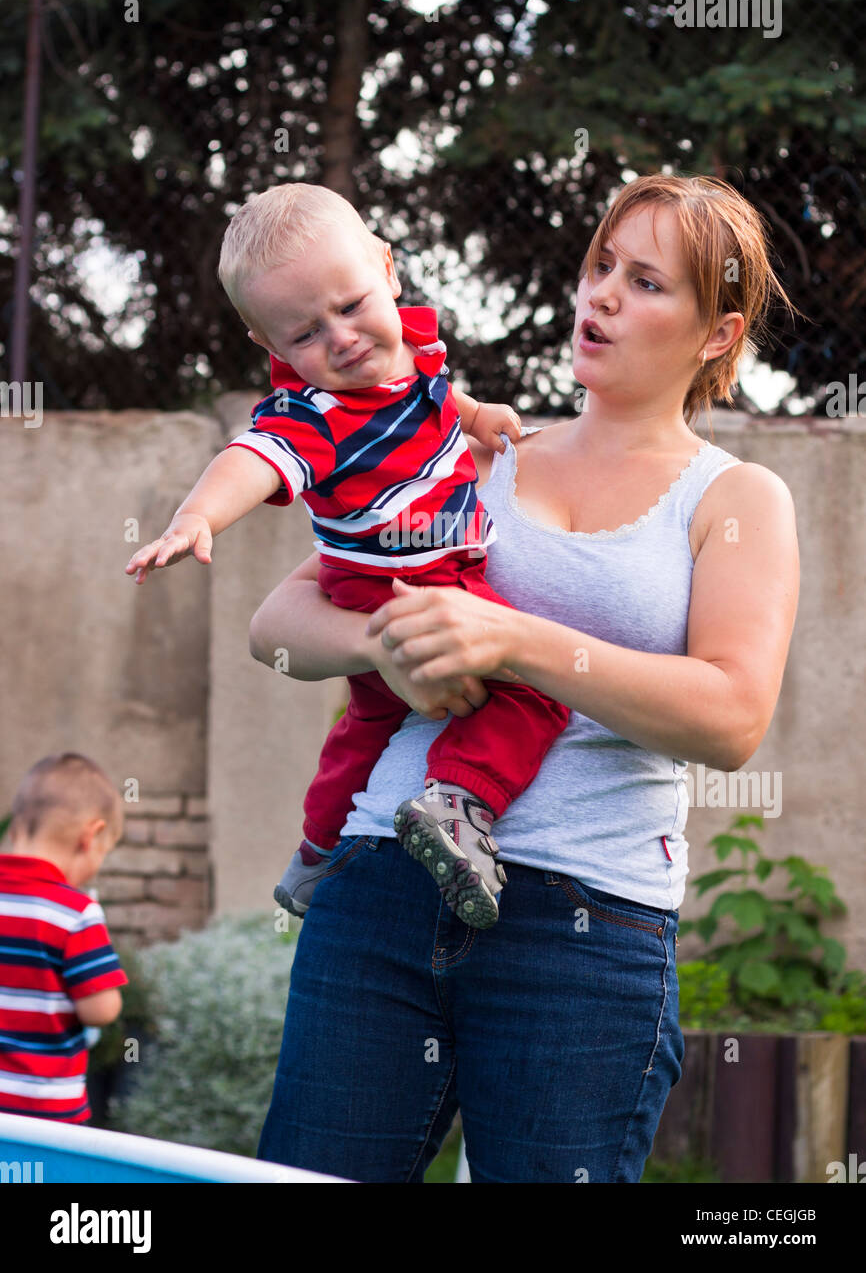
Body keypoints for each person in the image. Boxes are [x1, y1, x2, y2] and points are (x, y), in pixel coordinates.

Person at [250, 174, 800, 1183]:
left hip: (586, 931)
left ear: (716, 335)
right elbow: (277, 624)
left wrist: (504, 638)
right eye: (598, 267)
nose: (597, 296)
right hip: (381, 882)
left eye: (643, 282)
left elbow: (729, 716)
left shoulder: (734, 498)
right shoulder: (475, 450)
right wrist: (386, 643)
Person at [125, 183, 570, 929]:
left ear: (388, 271)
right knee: (537, 681)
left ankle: (313, 853)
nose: (341, 338)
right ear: (271, 349)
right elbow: (251, 456)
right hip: (412, 586)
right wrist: (198, 515)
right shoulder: (314, 413)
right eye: (303, 334)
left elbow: (431, 394)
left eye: (352, 305)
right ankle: (460, 800)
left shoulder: (411, 347)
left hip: (388, 589)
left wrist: (477, 416)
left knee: (368, 726)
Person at [0, 753, 128, 1124]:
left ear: (14, 829)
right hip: (43, 1109)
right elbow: (99, 1009)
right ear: (90, 838)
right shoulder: (75, 913)